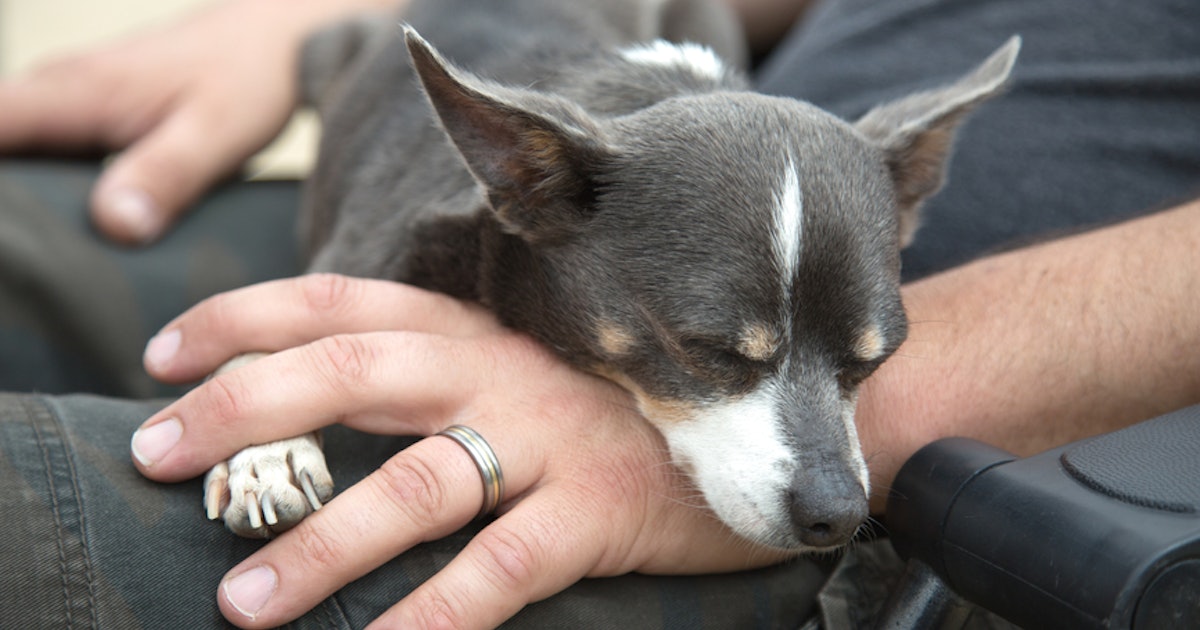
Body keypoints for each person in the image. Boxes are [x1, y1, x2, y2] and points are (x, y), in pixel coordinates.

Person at [2, 0, 1198, 628]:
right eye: (719, 365)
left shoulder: (821, 453)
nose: (820, 472)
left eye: (860, 368)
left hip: (984, 516)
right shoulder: (538, 180)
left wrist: (895, 418)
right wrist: (340, 22)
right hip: (594, 219)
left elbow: (830, 467)